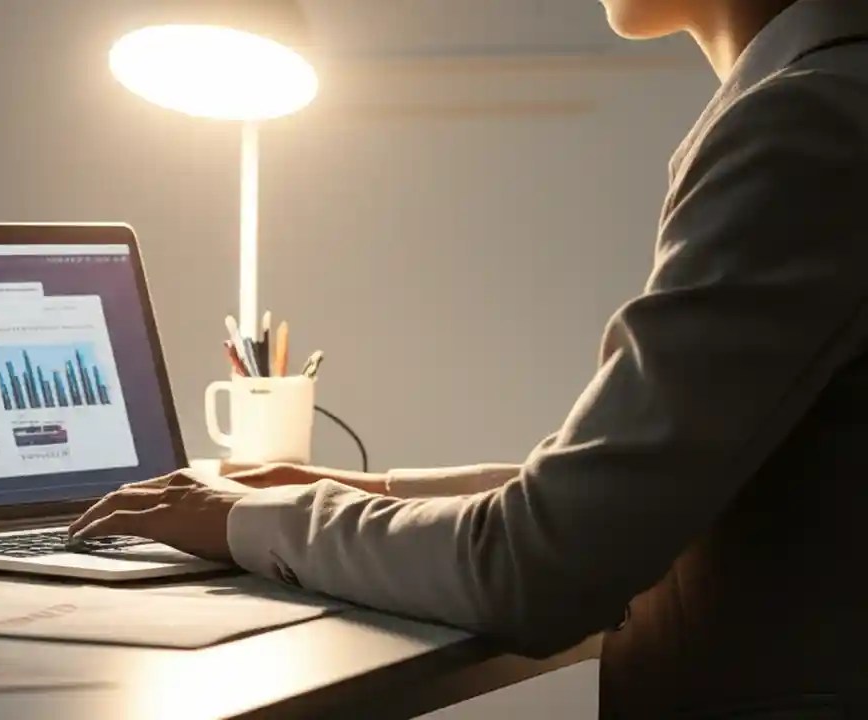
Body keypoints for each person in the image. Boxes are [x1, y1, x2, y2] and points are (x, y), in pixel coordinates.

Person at [69, 0, 868, 716]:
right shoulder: (821, 101)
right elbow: (610, 501)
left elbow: (544, 561)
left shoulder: (806, 124)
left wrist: (247, 522)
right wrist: (349, 486)